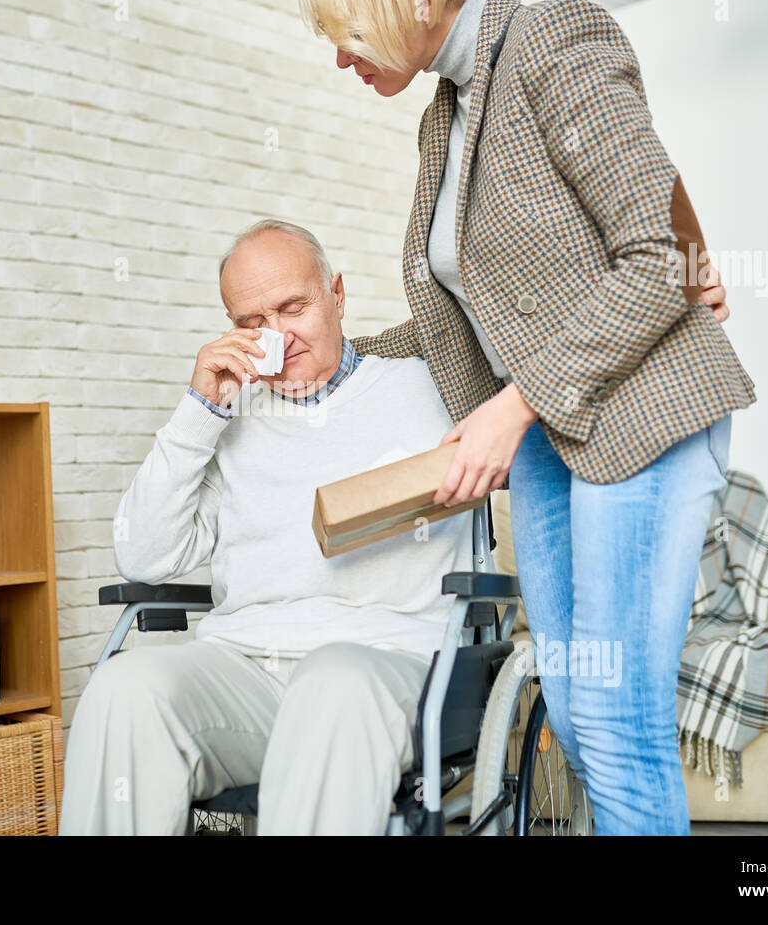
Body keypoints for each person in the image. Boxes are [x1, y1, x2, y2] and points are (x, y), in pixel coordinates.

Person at [297, 0, 755, 834]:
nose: (337, 58)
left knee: (618, 723)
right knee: (580, 718)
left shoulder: (551, 40)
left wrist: (513, 407)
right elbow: (469, 314)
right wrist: (339, 356)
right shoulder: (445, 115)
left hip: (641, 413)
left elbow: (656, 249)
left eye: (347, 28)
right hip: (552, 440)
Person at [60, 219, 476, 835]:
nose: (275, 334)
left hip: (385, 663)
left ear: (338, 294)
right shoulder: (229, 416)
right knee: (127, 688)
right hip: (247, 671)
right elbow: (144, 556)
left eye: (293, 307)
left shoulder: (428, 386)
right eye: (251, 323)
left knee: (333, 682)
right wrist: (199, 410)